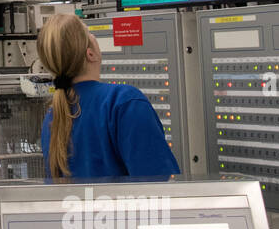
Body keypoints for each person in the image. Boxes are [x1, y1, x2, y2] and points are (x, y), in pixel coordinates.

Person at [36, 13, 179, 179]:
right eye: (89, 33)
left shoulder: (54, 116)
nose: (94, 36)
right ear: (90, 54)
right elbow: (160, 185)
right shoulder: (124, 102)